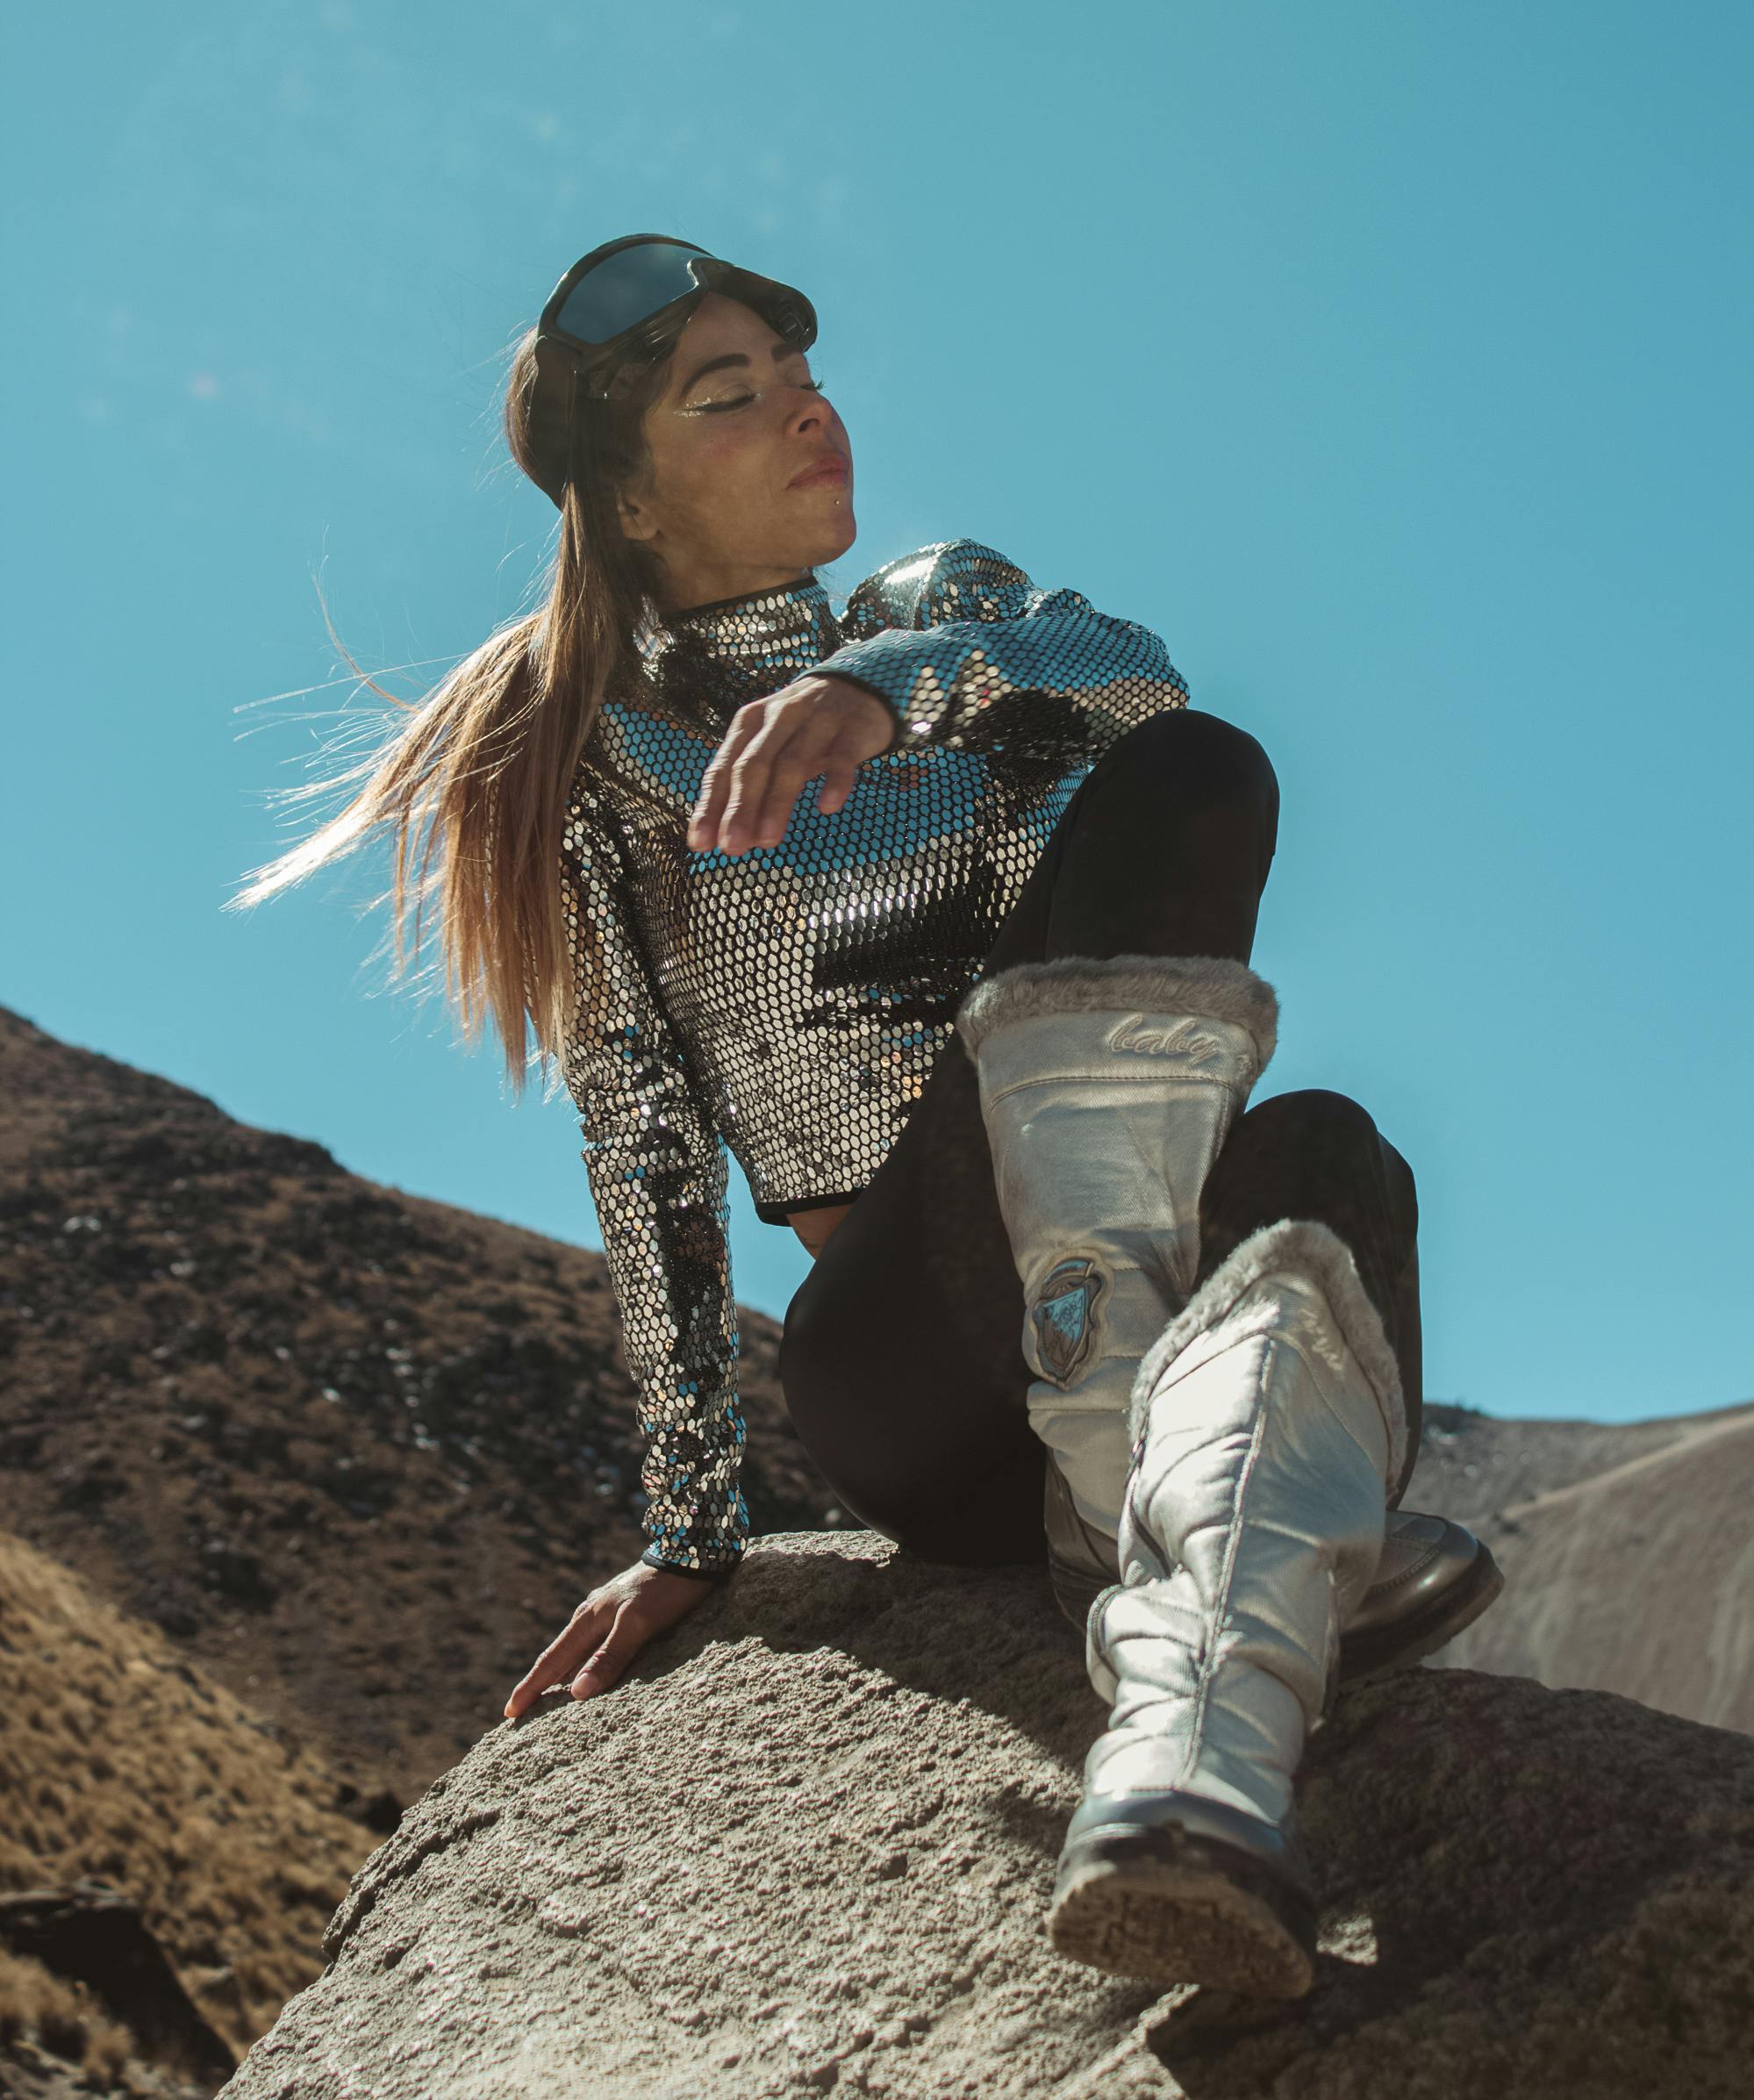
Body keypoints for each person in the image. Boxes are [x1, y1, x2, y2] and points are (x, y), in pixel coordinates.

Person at [234, 233, 1500, 1999]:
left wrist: (887, 685)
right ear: (632, 500)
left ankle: (1181, 1748)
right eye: (726, 392)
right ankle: (1217, 1537)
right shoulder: (593, 749)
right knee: (1076, 1130)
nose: (798, 405)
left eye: (797, 369)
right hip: (918, 1367)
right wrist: (692, 1533)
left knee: (1308, 1128)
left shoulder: (944, 619)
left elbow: (1145, 688)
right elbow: (642, 1134)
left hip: (1142, 1318)